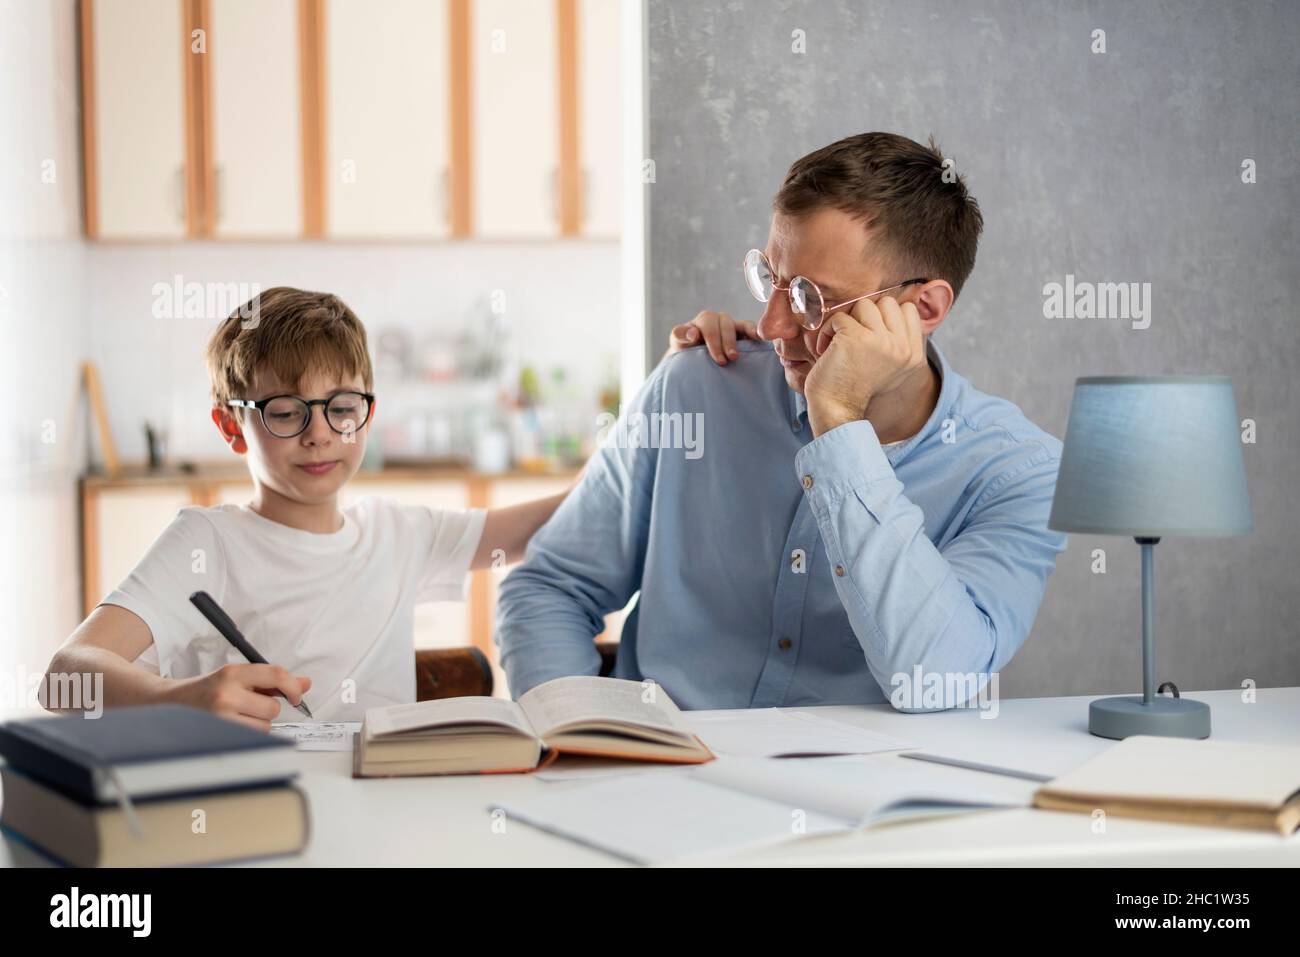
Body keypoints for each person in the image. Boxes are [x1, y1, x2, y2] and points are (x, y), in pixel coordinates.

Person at [497, 132, 1068, 711]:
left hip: (862, 795)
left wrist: (839, 426)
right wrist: (579, 735)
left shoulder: (1021, 472)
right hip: (662, 782)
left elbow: (935, 677)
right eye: (772, 281)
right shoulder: (696, 388)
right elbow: (549, 588)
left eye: (812, 300)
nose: (771, 326)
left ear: (923, 309)